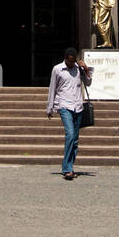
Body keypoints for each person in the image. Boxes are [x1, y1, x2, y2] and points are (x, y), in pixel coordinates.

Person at [46, 47, 92, 180]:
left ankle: (70, 166)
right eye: (70, 61)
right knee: (70, 134)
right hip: (64, 105)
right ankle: (66, 169)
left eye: (74, 61)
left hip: (78, 106)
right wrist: (50, 107)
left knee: (75, 139)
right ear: (65, 58)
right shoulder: (57, 69)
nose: (72, 64)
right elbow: (52, 88)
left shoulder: (79, 68)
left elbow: (88, 83)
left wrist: (86, 70)